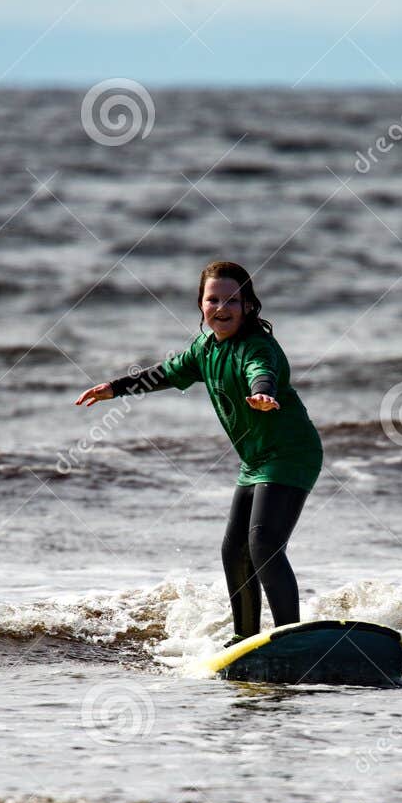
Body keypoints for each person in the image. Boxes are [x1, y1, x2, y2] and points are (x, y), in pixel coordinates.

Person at [75, 260, 323, 643]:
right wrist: (116, 387)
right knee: (234, 550)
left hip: (290, 453)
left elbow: (262, 369)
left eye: (232, 300)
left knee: (264, 545)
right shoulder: (204, 349)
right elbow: (166, 372)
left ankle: (291, 636)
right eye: (213, 300)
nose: (222, 308)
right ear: (200, 304)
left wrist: (263, 392)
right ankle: (246, 641)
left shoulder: (256, 346)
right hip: (255, 460)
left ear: (248, 306)